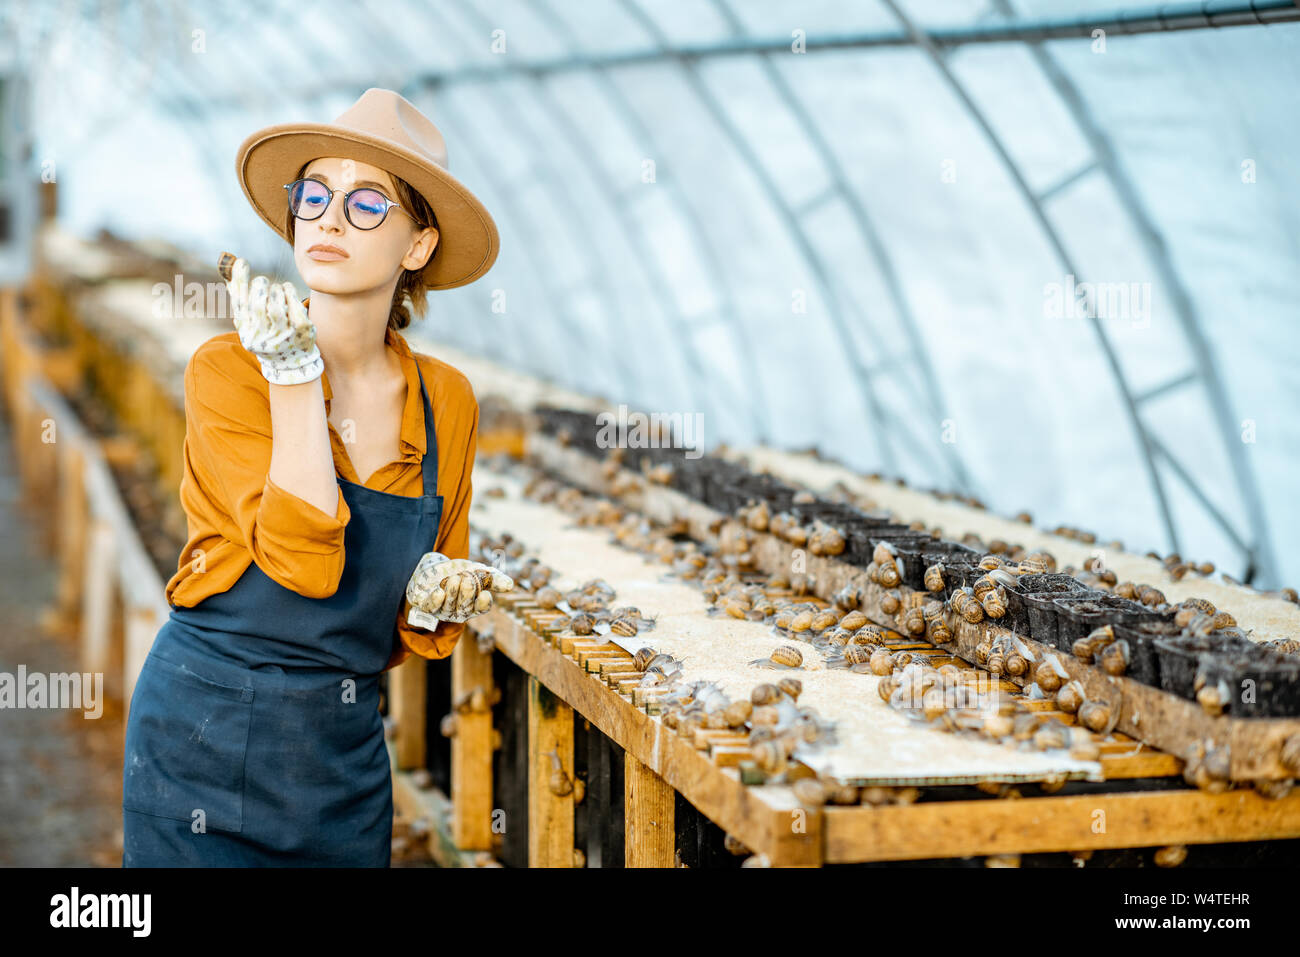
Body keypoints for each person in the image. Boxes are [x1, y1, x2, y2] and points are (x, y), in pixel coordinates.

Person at [122, 88, 509, 866]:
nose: (329, 219)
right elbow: (302, 563)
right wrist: (294, 375)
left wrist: (432, 601)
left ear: (418, 247)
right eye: (316, 194)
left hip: (339, 756)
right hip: (200, 732)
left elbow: (415, 636)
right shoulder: (228, 373)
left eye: (367, 203)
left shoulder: (447, 402)